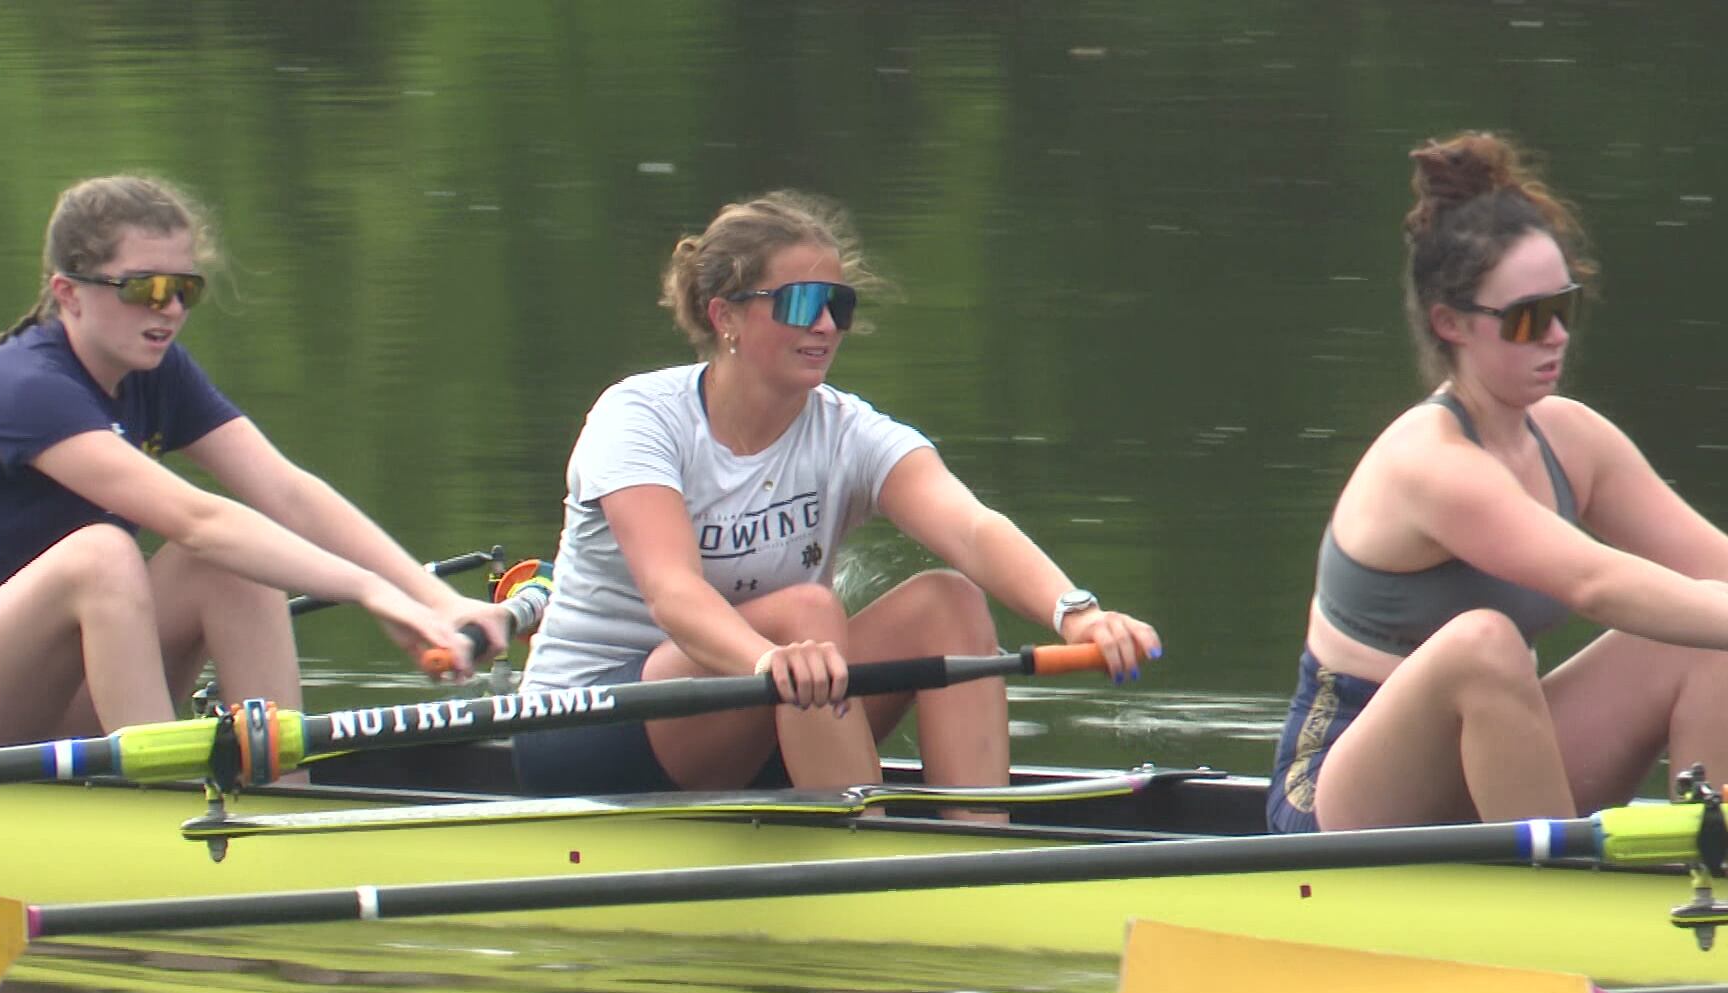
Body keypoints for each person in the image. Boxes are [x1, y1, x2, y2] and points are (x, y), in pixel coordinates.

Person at [512, 190, 1161, 805]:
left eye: (838, 306)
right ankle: (868, 845)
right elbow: (673, 594)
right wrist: (769, 666)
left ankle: (980, 842)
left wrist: (1076, 613)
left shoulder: (848, 432)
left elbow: (969, 528)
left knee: (947, 601)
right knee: (806, 613)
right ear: (725, 315)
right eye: (800, 304)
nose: (825, 325)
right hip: (589, 730)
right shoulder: (639, 418)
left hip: (769, 711)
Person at [0, 175, 509, 760]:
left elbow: (288, 492)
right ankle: (164, 818)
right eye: (145, 288)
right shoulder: (21, 385)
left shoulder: (156, 373)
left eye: (184, 289)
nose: (169, 309)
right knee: (103, 555)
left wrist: (435, 600)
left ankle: (286, 806)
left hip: (59, 704)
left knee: (231, 565)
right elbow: (198, 518)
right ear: (67, 293)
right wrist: (369, 593)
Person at [1269, 131, 1728, 833]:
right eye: (1526, 319)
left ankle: (1706, 879)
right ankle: (1554, 917)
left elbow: (1713, 569)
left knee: (1702, 629)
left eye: (1563, 308)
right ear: (1449, 323)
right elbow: (1596, 586)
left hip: (1498, 767)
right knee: (1482, 642)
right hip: (1339, 800)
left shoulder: (1573, 439)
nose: (1556, 338)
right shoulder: (1431, 463)